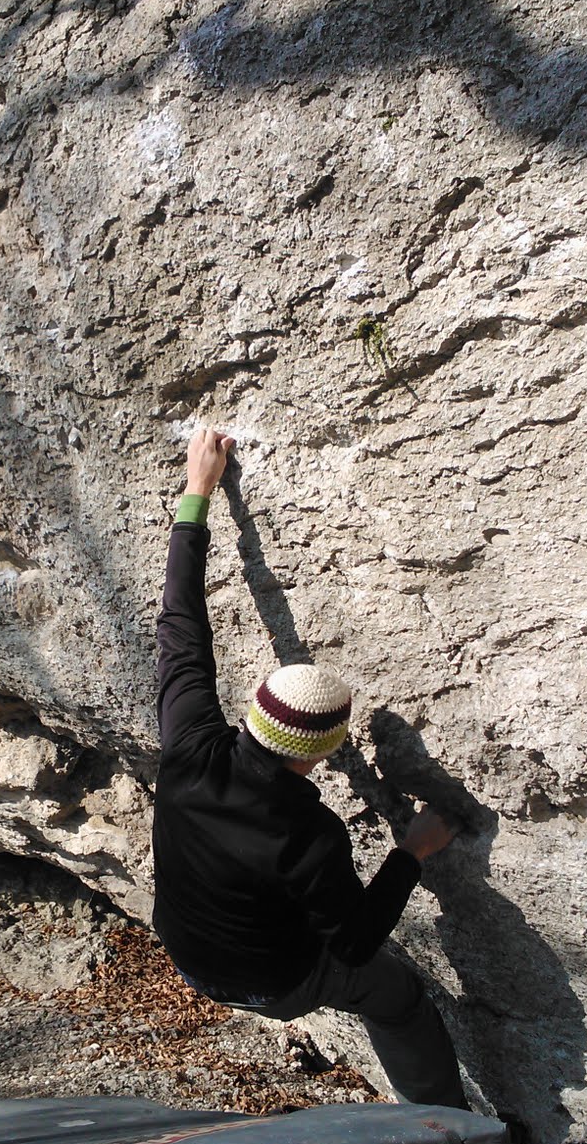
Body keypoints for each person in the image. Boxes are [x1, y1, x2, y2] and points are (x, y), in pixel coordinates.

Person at [152, 425, 468, 1109]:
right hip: (275, 983)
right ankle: (448, 1132)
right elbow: (352, 944)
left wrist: (197, 491)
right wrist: (411, 852)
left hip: (188, 956)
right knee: (398, 997)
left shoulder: (187, 751)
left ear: (249, 714)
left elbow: (180, 625)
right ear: (324, 755)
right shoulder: (310, 837)